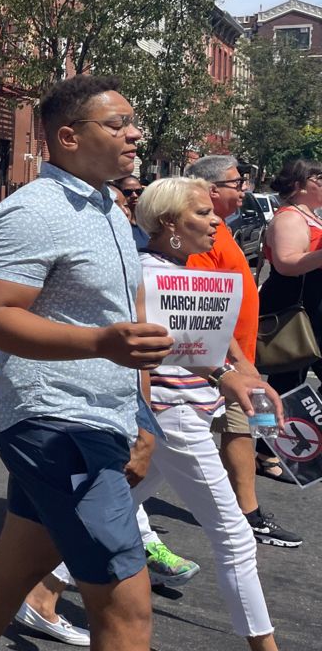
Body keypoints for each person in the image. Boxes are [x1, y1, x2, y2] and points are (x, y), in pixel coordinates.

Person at [0, 76, 182, 651]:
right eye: (118, 123)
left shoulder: (109, 207)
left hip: (102, 415)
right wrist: (100, 343)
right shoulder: (31, 211)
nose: (135, 134)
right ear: (69, 137)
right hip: (55, 423)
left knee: (14, 569)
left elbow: (126, 325)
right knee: (127, 606)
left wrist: (140, 415)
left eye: (133, 122)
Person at [133, 176, 282, 650]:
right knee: (236, 539)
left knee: (116, 509)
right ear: (169, 222)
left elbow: (217, 338)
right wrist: (144, 423)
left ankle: (43, 588)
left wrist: (250, 377)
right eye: (202, 213)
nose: (216, 219)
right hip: (170, 416)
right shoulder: (143, 273)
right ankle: (264, 645)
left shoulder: (190, 269)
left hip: (192, 412)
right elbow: (143, 356)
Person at [186, 156, 301, 548]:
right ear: (211, 189)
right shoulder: (199, 235)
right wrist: (238, 360)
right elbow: (201, 306)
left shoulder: (222, 229)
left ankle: (248, 501)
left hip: (236, 354)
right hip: (221, 358)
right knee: (236, 428)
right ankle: (248, 514)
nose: (244, 190)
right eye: (237, 183)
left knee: (243, 431)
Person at [260, 158, 322, 396]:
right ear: (300, 185)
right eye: (320, 178)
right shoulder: (290, 217)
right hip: (297, 313)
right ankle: (278, 431)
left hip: (310, 311)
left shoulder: (309, 216)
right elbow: (286, 263)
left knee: (291, 382)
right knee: (289, 383)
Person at [113, 174, 149, 248]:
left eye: (138, 191)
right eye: (128, 192)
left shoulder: (149, 221)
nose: (135, 195)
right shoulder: (117, 224)